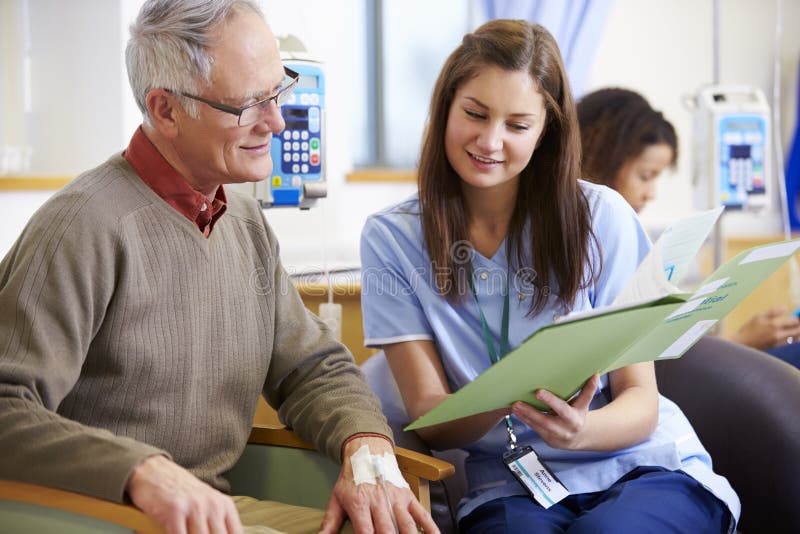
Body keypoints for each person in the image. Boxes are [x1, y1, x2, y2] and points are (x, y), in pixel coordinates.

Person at [0, 2, 438, 533]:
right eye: (248, 105)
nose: (276, 121)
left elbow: (314, 369)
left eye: (278, 91)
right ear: (165, 110)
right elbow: (7, 408)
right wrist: (138, 469)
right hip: (100, 515)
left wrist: (365, 448)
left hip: (218, 513)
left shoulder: (245, 221)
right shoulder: (80, 227)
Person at [359, 20, 739, 533]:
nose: (489, 141)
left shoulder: (602, 216)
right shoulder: (392, 238)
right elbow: (429, 413)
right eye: (474, 113)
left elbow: (640, 402)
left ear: (546, 133)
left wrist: (581, 430)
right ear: (445, 107)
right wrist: (510, 392)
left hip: (639, 464)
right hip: (510, 482)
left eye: (517, 125)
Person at [578, 87, 800, 368]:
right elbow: (643, 363)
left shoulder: (622, 235)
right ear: (600, 161)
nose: (651, 193)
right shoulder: (587, 241)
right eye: (645, 176)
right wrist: (739, 342)